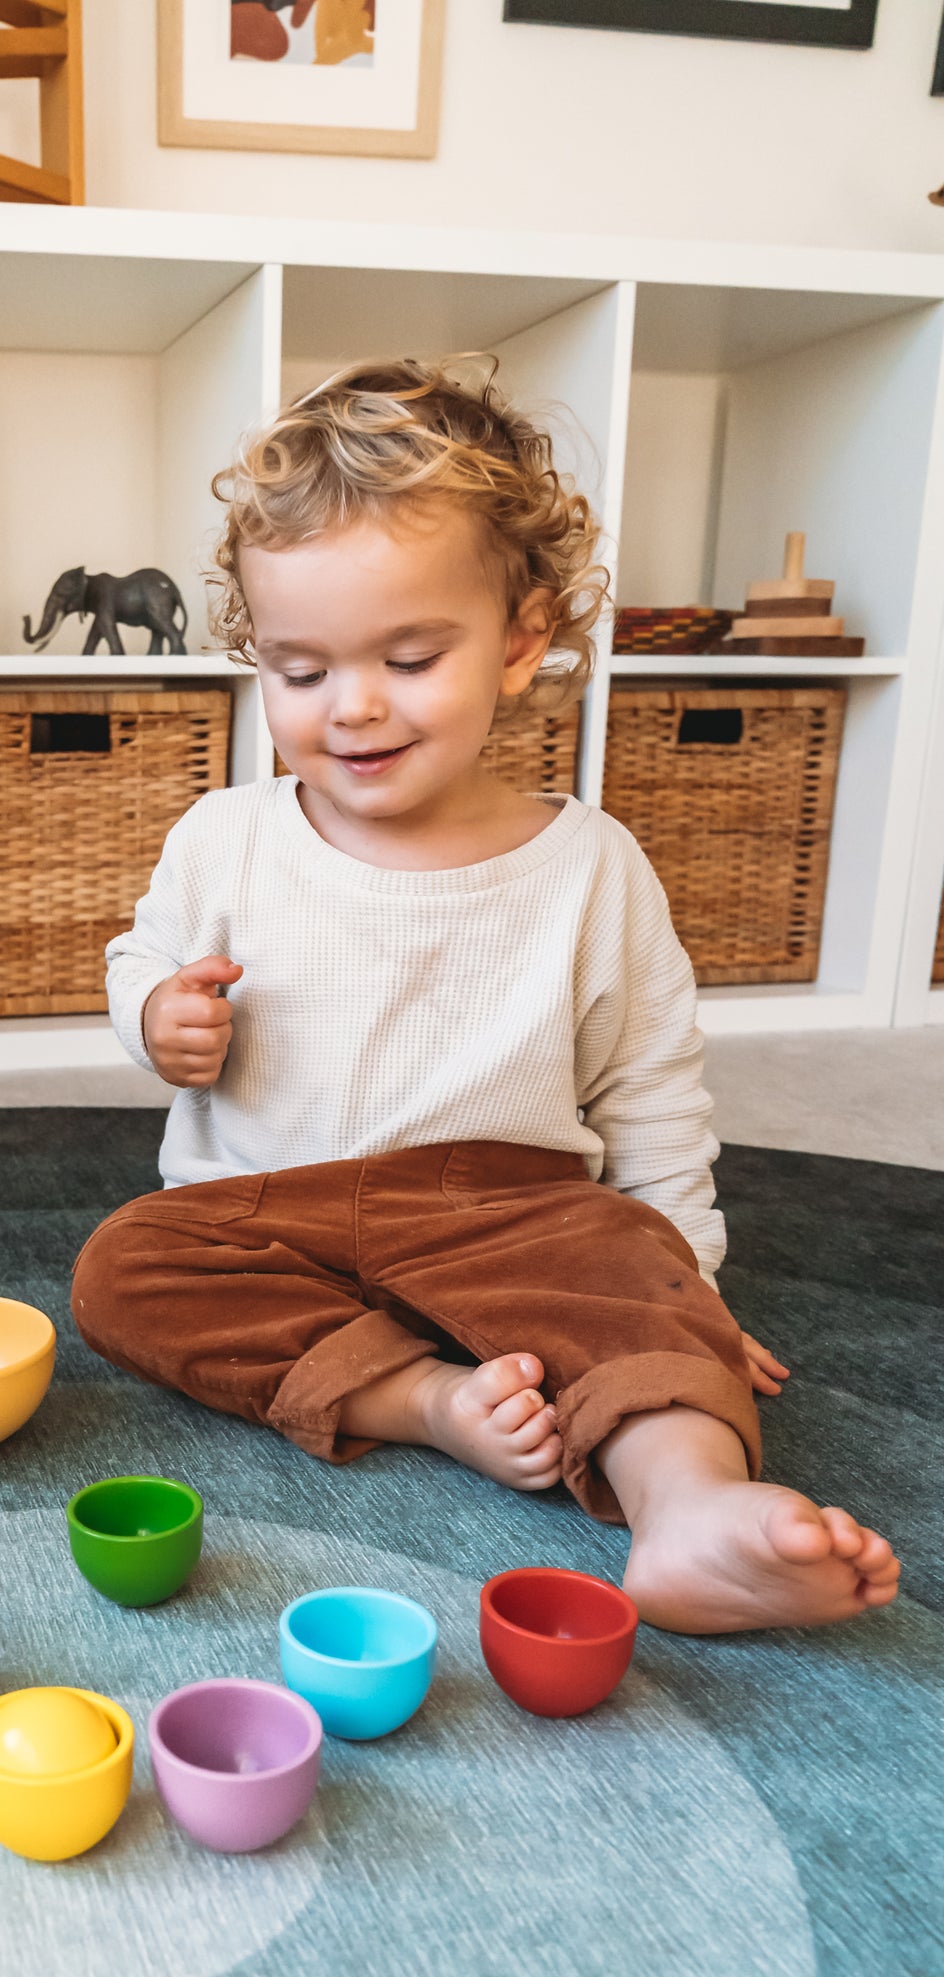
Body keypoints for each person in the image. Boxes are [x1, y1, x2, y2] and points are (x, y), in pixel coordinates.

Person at [71, 361, 899, 1634]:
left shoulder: (589, 864)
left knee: (622, 1265)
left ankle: (689, 1511)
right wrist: (157, 1017)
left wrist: (691, 1290)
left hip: (508, 1209)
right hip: (261, 1206)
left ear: (521, 642)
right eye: (298, 671)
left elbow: (649, 1088)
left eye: (409, 657)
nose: (350, 707)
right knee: (126, 1268)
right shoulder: (221, 837)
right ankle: (426, 1402)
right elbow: (142, 959)